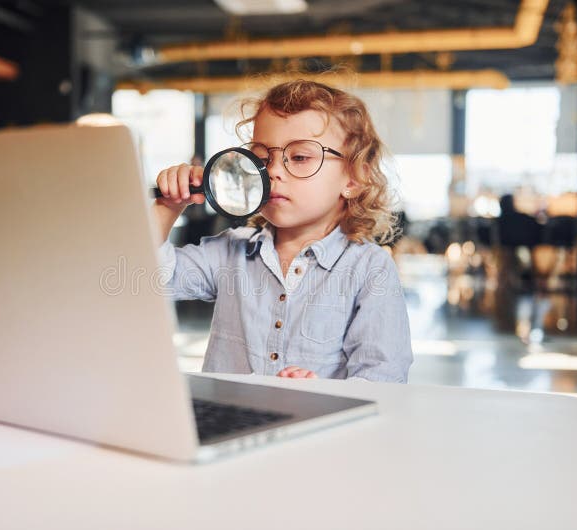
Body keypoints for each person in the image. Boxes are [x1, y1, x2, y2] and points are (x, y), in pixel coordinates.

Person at [153, 79, 412, 382]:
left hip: (319, 427)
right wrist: (167, 207)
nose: (273, 171)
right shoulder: (229, 253)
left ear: (353, 179)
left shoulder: (370, 270)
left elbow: (384, 376)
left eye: (300, 157)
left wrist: (325, 394)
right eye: (262, 159)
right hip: (232, 425)